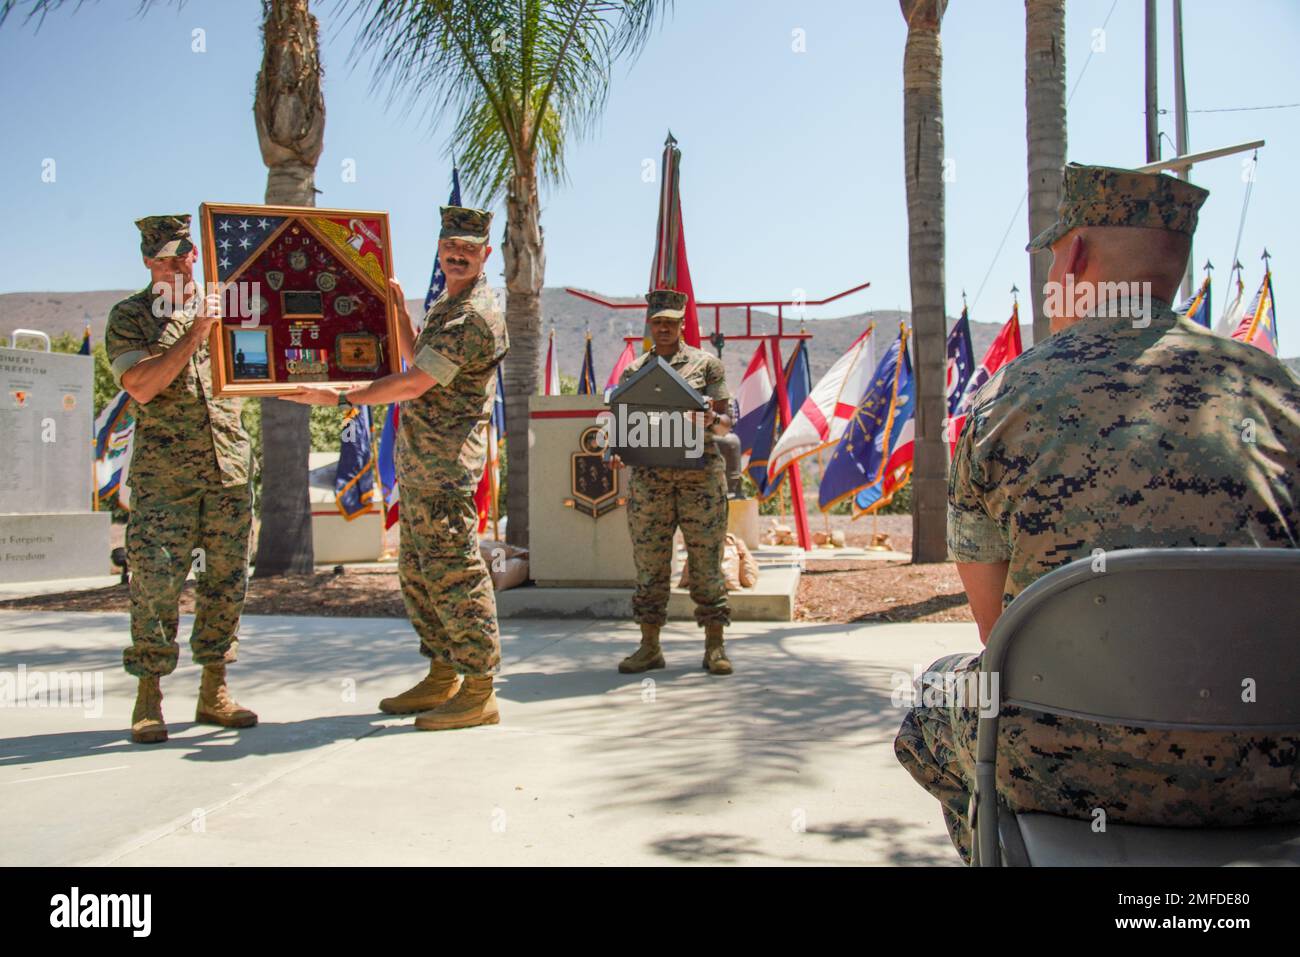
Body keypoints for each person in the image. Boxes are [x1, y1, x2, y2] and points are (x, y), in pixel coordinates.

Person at [894, 163, 1300, 862]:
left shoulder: (1006, 402)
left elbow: (1005, 637)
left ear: (1075, 255)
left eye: (1055, 253)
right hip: (1271, 766)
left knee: (933, 703)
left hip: (1065, 765)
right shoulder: (1280, 392)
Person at [285, 206, 507, 731]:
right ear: (439, 247)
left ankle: (479, 689)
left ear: (485, 255)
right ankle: (442, 672)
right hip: (421, 463)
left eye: (469, 249)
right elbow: (416, 360)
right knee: (419, 573)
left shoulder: (475, 315)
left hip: (445, 466)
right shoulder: (446, 306)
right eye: (450, 245)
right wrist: (400, 314)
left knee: (454, 572)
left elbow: (413, 384)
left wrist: (340, 397)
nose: (457, 254)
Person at [105, 214, 257, 744]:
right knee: (155, 583)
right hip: (165, 480)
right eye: (167, 257)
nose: (180, 263)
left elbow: (263, 363)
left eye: (186, 253)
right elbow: (142, 386)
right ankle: (149, 695)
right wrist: (196, 332)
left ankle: (214, 689)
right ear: (149, 261)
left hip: (229, 471)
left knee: (226, 581)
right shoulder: (130, 317)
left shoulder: (228, 305)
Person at [611, 290, 736, 675]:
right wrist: (618, 447)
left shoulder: (706, 365)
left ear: (682, 324)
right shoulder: (635, 371)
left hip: (700, 479)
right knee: (649, 566)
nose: (664, 328)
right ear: (650, 325)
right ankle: (650, 647)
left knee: (706, 565)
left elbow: (727, 422)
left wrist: (709, 422)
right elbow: (623, 422)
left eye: (671, 322)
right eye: (658, 322)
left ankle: (714, 646)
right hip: (650, 482)